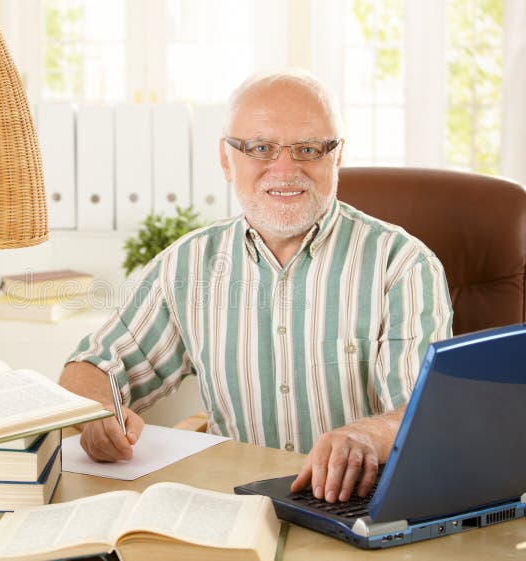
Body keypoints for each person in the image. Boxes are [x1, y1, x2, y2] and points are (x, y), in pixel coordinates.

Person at [59, 68, 453, 504]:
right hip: (235, 505)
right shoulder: (188, 264)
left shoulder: (402, 265)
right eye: (261, 148)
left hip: (360, 509)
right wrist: (97, 415)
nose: (284, 170)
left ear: (337, 156)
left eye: (307, 149)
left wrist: (367, 434)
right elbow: (90, 366)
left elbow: (425, 415)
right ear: (227, 159)